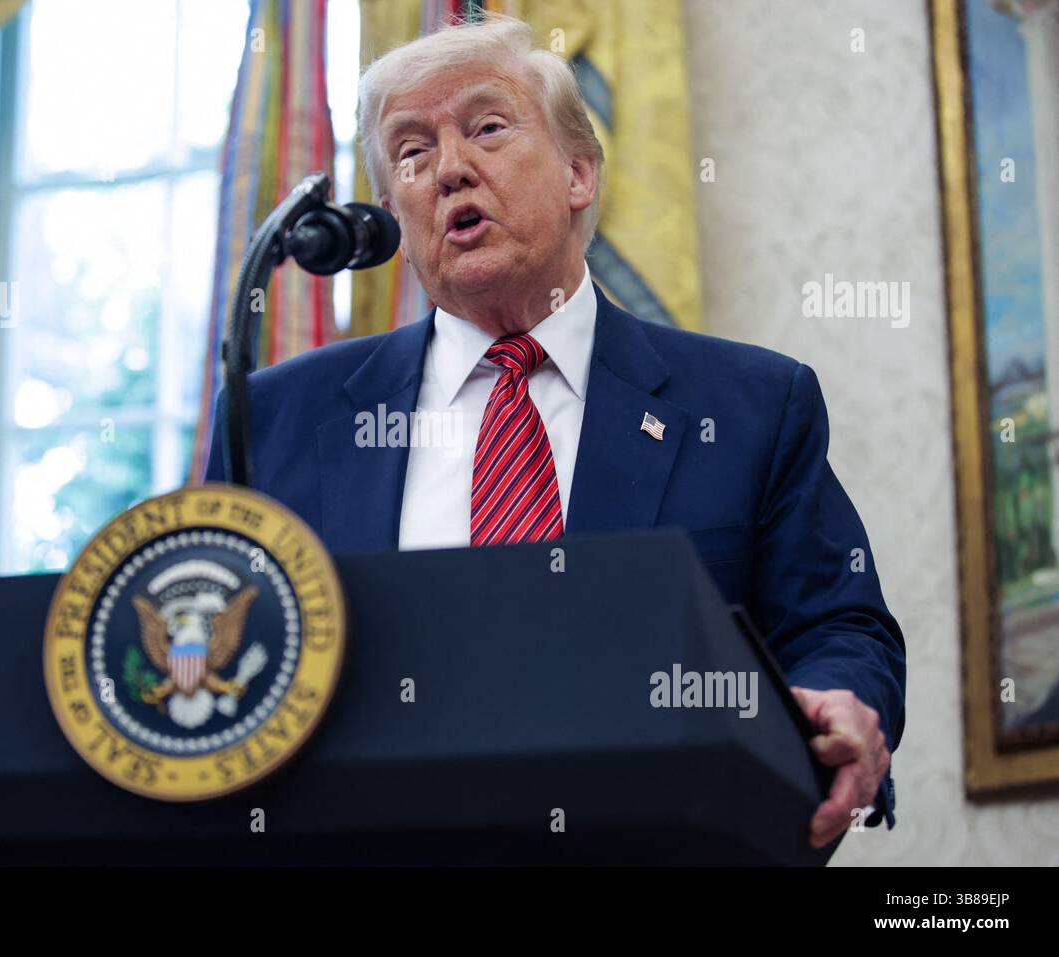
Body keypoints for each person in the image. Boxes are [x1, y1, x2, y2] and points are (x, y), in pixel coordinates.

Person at [204, 12, 904, 849]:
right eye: (413, 152)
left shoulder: (751, 402)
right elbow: (220, 659)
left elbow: (838, 625)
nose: (452, 169)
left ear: (579, 171)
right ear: (392, 215)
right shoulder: (280, 419)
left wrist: (834, 697)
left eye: (488, 127)